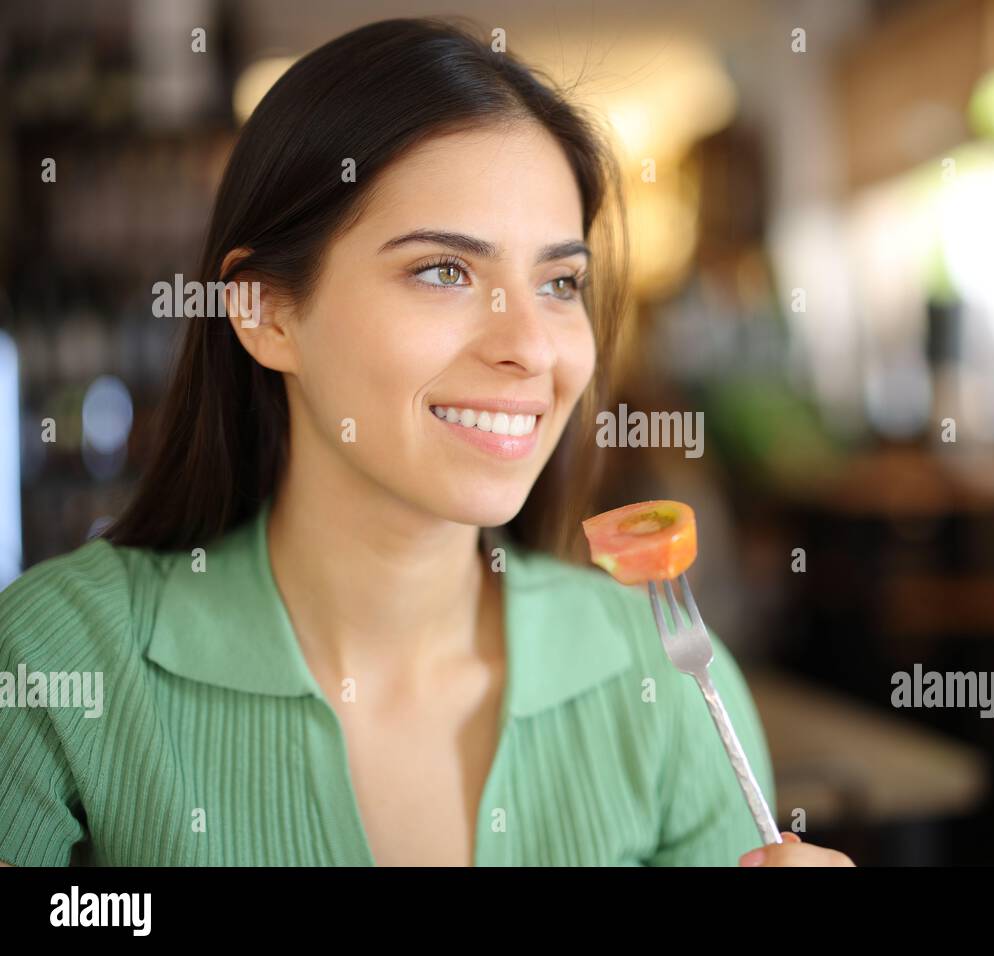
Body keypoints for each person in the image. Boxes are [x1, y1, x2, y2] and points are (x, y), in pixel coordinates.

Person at [0, 19, 852, 868]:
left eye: (560, 283)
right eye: (445, 271)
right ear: (263, 313)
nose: (530, 345)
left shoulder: (664, 679)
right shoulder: (60, 662)